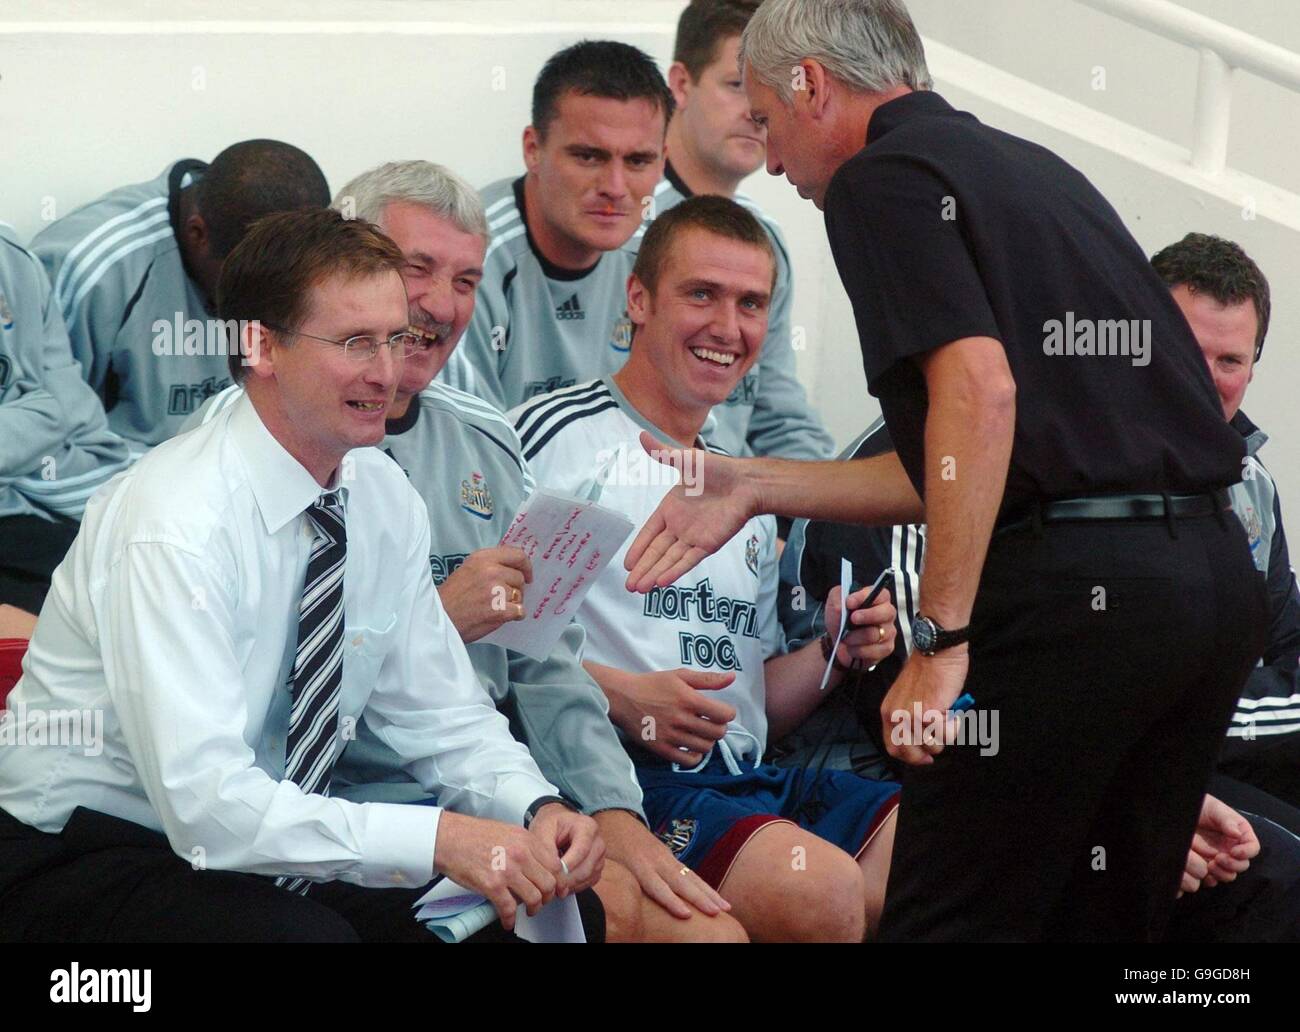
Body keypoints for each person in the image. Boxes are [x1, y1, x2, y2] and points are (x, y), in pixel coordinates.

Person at [621, 0, 1268, 941]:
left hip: (1082, 602)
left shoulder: (879, 177)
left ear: (811, 85)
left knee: (947, 922)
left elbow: (979, 394)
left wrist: (941, 643)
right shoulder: (1038, 169)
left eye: (766, 121)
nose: (770, 161)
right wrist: (755, 482)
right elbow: (965, 463)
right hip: (1204, 586)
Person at [0, 208, 606, 943]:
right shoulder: (176, 523)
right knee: (305, 942)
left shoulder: (380, 497)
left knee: (536, 918)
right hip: (94, 848)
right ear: (260, 346)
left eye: (397, 338)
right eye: (356, 343)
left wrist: (536, 810)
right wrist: (443, 839)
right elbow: (207, 808)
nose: (388, 372)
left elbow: (440, 713)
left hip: (259, 842)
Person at [191, 161, 746, 943]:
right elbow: (243, 726)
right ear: (345, 271)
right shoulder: (231, 458)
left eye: (464, 280)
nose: (438, 305)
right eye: (412, 269)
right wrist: (437, 620)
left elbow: (543, 657)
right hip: (313, 815)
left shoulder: (486, 439)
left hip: (468, 795)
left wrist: (610, 813)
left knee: (702, 933)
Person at [513, 196, 902, 941]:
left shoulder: (742, 483)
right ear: (638, 298)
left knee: (946, 851)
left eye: (751, 303)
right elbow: (489, 644)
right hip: (620, 781)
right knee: (819, 891)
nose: (729, 328)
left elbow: (752, 701)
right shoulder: (558, 440)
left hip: (741, 780)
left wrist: (835, 652)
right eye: (702, 295)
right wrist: (624, 695)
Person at [32, 140, 330, 450]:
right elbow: (43, 436)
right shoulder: (92, 266)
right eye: (255, 282)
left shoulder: (320, 263)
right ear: (197, 234)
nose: (268, 302)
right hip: (121, 484)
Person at [641, 0, 833, 461]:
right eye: (736, 86)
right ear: (681, 84)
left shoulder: (764, 239)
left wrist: (819, 517)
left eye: (769, 94)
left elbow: (779, 416)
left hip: (737, 510)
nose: (755, 112)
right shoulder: (620, 222)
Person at [1151, 233, 1300, 814]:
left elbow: (1288, 636)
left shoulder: (1252, 482)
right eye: (1186, 352)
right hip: (1112, 771)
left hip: (1223, 751)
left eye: (1229, 361)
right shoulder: (1063, 460)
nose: (1204, 379)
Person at [438, 40, 671, 410]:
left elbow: (682, 432)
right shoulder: (467, 257)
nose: (614, 187)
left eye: (638, 161)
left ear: (662, 162)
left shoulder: (658, 255)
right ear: (533, 149)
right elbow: (468, 449)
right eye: (588, 157)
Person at [0, 222, 131, 632]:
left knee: (133, 585)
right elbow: (42, 409)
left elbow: (59, 411)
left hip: (25, 511)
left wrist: (36, 414)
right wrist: (29, 414)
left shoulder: (12, 259)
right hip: (23, 500)